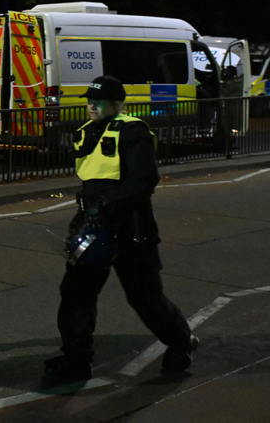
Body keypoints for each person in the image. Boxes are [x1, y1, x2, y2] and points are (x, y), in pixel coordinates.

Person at [45, 75, 198, 382]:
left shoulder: (132, 131)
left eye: (98, 101)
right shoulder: (87, 132)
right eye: (89, 100)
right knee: (76, 295)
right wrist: (87, 213)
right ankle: (76, 360)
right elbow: (92, 181)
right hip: (94, 228)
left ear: (117, 104)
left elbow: (143, 181)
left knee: (144, 296)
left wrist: (108, 204)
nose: (91, 106)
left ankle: (181, 342)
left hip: (131, 229)